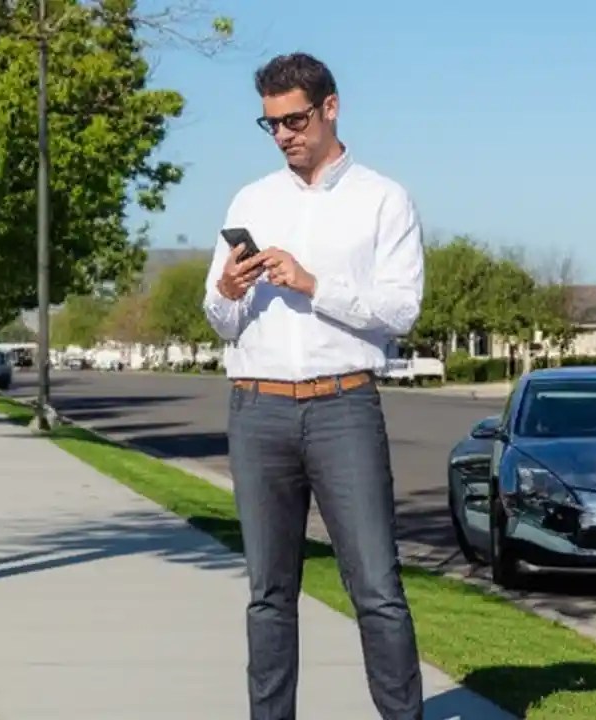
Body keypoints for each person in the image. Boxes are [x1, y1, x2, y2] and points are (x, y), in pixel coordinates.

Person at [200, 51, 425, 720]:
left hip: (342, 405)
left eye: (294, 119)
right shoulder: (251, 199)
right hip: (257, 409)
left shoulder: (384, 199)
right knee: (268, 594)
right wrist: (227, 291)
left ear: (330, 108)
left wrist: (312, 284)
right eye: (270, 124)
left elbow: (400, 310)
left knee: (377, 588)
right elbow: (222, 323)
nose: (284, 135)